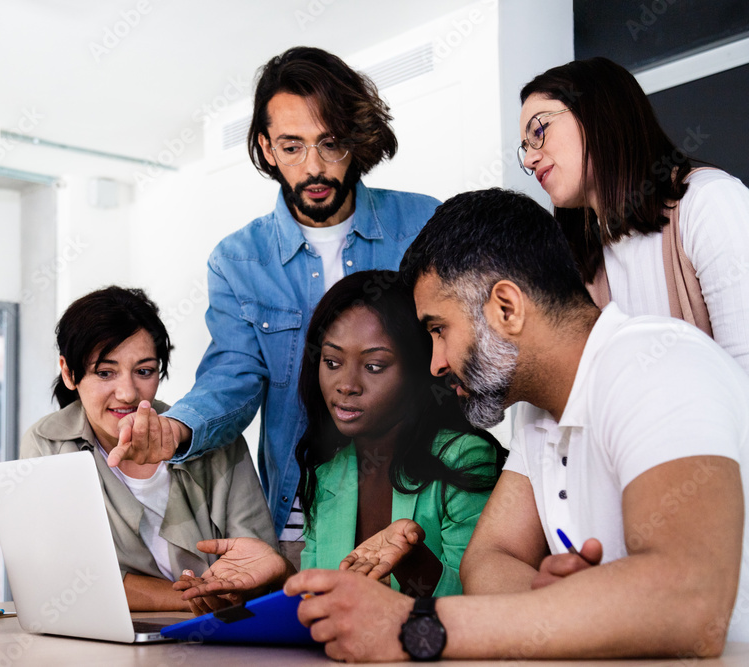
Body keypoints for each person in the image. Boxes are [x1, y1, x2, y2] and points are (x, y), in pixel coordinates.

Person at [280, 189, 749, 661]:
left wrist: (417, 629)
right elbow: (490, 559)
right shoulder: (537, 409)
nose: (436, 364)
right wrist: (584, 606)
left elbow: (690, 605)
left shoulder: (658, 366)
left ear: (506, 307)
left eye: (439, 329)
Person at [107, 47, 441, 564]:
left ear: (355, 140)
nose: (314, 168)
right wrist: (179, 429)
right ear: (265, 147)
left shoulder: (423, 225)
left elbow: (460, 347)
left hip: (423, 497)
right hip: (302, 516)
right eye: (292, 147)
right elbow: (234, 376)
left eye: (330, 145)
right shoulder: (239, 260)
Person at [172, 270, 503, 611]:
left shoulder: (464, 458)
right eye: (331, 362)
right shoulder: (329, 472)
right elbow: (324, 606)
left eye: (374, 366)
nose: (346, 384)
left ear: (418, 369)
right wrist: (279, 577)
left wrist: (413, 562)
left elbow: (488, 609)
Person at [19, 286, 277, 612]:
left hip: (220, 640)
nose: (127, 393)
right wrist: (191, 599)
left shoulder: (212, 437)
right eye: (105, 372)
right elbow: (59, 578)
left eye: (144, 371)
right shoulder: (46, 445)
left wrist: (235, 592)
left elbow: (262, 568)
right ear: (69, 373)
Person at [517, 56, 749, 375]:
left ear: (598, 115)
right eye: (525, 147)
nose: (530, 159)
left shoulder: (710, 202)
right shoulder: (579, 263)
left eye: (539, 131)